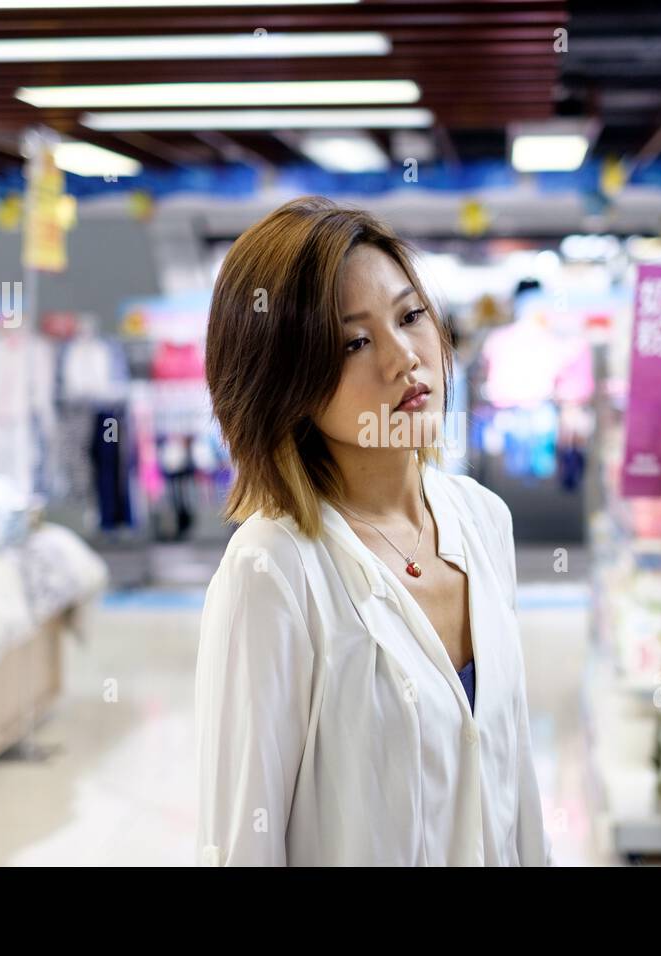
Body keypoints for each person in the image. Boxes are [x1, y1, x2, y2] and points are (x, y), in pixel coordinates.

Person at [195, 196, 550, 866]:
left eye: (410, 316)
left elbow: (516, 784)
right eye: (353, 342)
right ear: (285, 382)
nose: (403, 358)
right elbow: (243, 841)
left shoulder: (483, 520)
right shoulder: (273, 571)